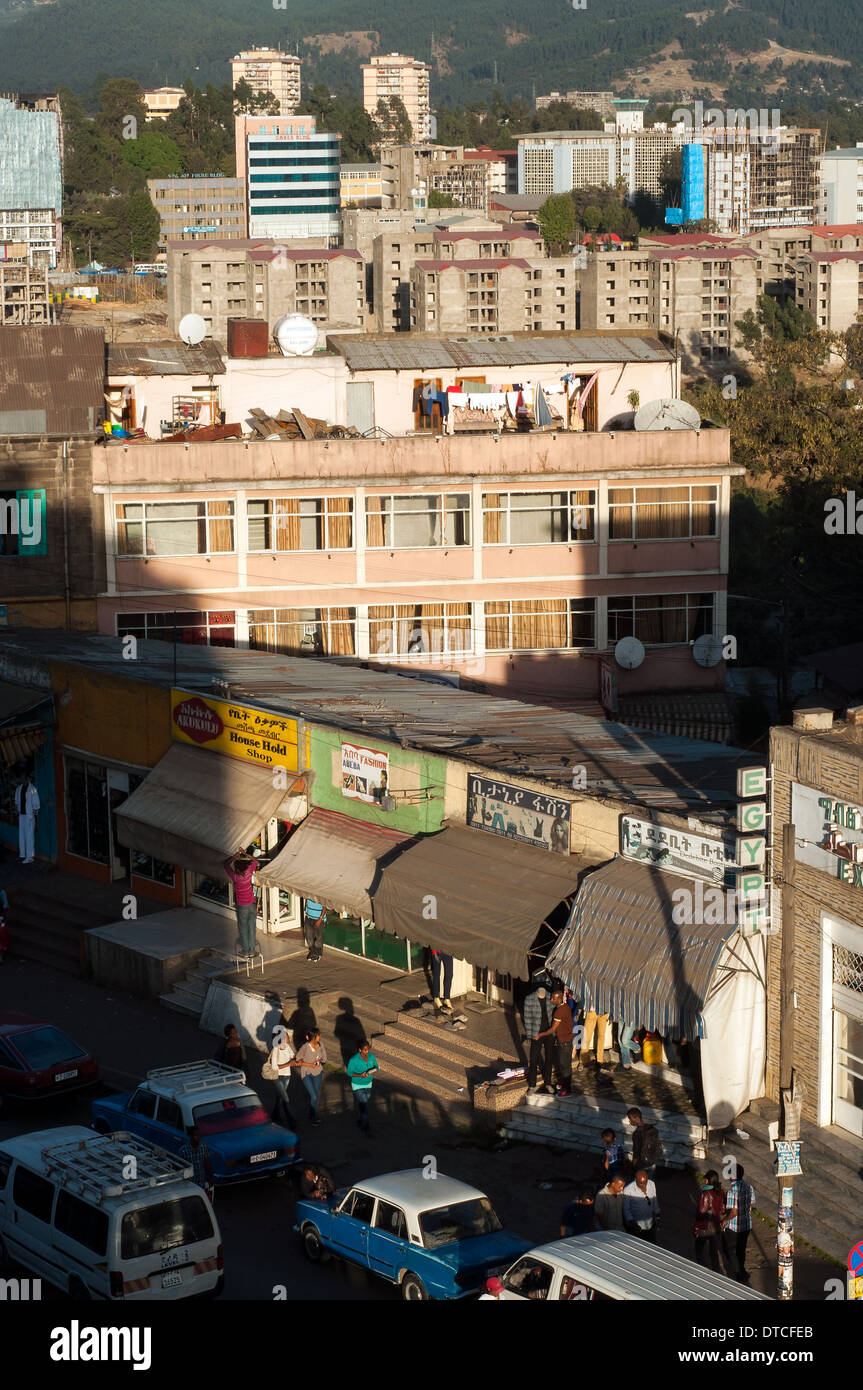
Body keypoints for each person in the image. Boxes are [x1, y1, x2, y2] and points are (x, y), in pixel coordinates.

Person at [535, 987, 573, 1096]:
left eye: (553, 998)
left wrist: (540, 1035)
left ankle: (567, 1090)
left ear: (559, 999)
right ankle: (564, 1084)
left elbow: (553, 1029)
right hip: (568, 1040)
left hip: (564, 1041)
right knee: (566, 1065)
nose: (551, 1000)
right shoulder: (566, 1007)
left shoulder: (559, 1012)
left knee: (564, 1065)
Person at [223, 849, 259, 959]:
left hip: (242, 906)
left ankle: (246, 951)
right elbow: (256, 861)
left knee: (243, 928)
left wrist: (235, 856)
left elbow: (225, 864)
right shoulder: (248, 872)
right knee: (251, 927)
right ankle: (252, 951)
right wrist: (245, 854)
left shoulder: (235, 877)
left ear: (237, 868)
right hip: (252, 905)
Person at [722, 1164, 755, 1282]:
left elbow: (733, 1212)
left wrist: (725, 1220)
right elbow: (751, 1204)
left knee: (730, 1250)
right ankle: (742, 1269)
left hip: (734, 1226)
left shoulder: (732, 1191)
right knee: (741, 1248)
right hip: (746, 1224)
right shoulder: (749, 1187)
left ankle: (738, 1273)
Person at [523, 985, 554, 1093]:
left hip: (549, 1032)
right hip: (536, 1033)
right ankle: (532, 1085)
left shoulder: (550, 997)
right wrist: (531, 1035)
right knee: (533, 1059)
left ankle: (548, 1083)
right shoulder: (529, 999)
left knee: (549, 1058)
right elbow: (527, 1019)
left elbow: (554, 1014)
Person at [694, 1170, 726, 1272]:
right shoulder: (720, 1192)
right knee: (714, 1253)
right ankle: (716, 1272)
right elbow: (722, 1209)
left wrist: (696, 1227)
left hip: (705, 1227)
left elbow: (702, 1211)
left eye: (706, 1179)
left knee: (698, 1248)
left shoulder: (705, 1193)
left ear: (708, 1181)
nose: (705, 1181)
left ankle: (702, 1269)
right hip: (716, 1226)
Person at [346, 1039, 379, 1134]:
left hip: (368, 1083)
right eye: (365, 1050)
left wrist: (371, 1071)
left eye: (368, 1049)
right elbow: (349, 1073)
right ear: (360, 1050)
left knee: (364, 1102)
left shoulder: (371, 1056)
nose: (367, 1051)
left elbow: (376, 1067)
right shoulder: (353, 1060)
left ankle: (360, 1119)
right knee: (364, 1104)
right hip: (357, 1085)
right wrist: (360, 1075)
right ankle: (366, 1126)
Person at [295, 1028, 327, 1125]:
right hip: (307, 1073)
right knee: (313, 1096)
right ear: (314, 1037)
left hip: (318, 1073)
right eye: (318, 1035)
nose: (320, 1037)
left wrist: (319, 1060)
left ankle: (311, 1113)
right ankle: (313, 1117)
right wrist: (310, 1065)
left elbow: (325, 1059)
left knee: (315, 1096)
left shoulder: (321, 1045)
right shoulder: (305, 1047)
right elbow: (297, 1060)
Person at [268, 1028, 297, 1128]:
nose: (289, 1038)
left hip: (287, 1075)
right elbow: (274, 1067)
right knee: (286, 1098)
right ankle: (292, 1121)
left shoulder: (288, 1047)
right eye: (287, 1037)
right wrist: (289, 1063)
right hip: (277, 1077)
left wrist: (296, 1060)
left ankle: (275, 1115)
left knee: (280, 1096)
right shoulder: (275, 1049)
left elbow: (293, 1056)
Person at [180, 1126, 215, 1204]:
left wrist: (211, 1177)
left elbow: (207, 1163)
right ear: (190, 1136)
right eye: (196, 1135)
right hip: (190, 1184)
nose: (198, 1137)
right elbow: (181, 1169)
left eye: (199, 1135)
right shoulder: (184, 1151)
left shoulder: (203, 1147)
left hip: (201, 1182)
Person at [623, 1169, 660, 1242]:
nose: (644, 1186)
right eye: (641, 1183)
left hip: (650, 1223)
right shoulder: (628, 1190)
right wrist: (633, 1224)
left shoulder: (652, 1184)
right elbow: (626, 1209)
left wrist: (657, 1214)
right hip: (637, 1227)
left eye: (645, 1182)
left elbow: (654, 1200)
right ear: (635, 1180)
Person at [627, 1107, 662, 1176]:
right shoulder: (651, 1128)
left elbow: (636, 1153)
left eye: (630, 1119)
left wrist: (633, 1167)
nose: (630, 1121)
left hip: (642, 1165)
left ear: (637, 1118)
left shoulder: (637, 1134)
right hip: (652, 1161)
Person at [15, 774, 39, 864]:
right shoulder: (19, 788)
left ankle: (30, 857)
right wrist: (17, 812)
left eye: (22, 778)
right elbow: (17, 802)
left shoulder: (32, 789)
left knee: (29, 836)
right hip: (21, 815)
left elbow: (36, 804)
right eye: (21, 778)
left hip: (29, 816)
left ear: (27, 778)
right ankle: (23, 854)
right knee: (22, 835)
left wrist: (35, 816)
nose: (21, 779)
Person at [430, 948, 454, 1013]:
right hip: (436, 951)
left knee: (450, 974)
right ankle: (436, 997)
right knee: (437, 974)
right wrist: (434, 952)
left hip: (448, 951)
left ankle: (447, 998)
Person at [303, 898, 325, 963]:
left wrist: (320, 919)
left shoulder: (320, 893)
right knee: (308, 936)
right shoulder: (309, 892)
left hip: (318, 919)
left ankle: (318, 954)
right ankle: (312, 952)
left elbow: (325, 906)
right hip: (308, 917)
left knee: (318, 937)